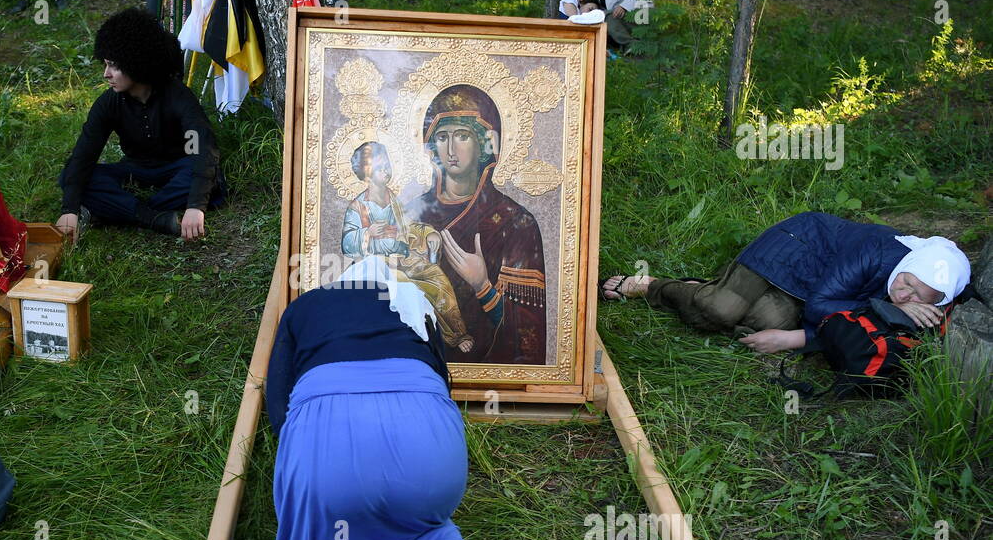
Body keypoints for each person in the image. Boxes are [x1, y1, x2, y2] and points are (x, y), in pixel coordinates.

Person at [265, 256, 503, 540]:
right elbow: (441, 385)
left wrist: (306, 457)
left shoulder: (303, 308)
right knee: (423, 520)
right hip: (427, 457)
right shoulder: (415, 304)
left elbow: (277, 403)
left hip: (327, 454)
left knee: (334, 531)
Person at [600, 213, 972, 354]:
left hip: (814, 285)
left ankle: (712, 287)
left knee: (758, 323)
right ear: (907, 264)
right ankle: (651, 286)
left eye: (917, 297)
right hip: (795, 249)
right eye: (905, 282)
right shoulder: (872, 252)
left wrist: (793, 337)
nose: (903, 294)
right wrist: (803, 337)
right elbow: (821, 308)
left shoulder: (926, 295)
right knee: (718, 309)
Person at [401, 83, 547, 363]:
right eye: (442, 137)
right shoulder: (411, 213)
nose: (451, 149)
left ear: (484, 144)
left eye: (463, 136)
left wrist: (482, 285)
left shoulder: (515, 222)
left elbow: (527, 336)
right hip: (414, 357)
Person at [56, 8, 225, 243]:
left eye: (113, 66)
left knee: (210, 177)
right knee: (71, 177)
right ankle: (153, 218)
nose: (106, 74)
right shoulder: (109, 103)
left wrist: (196, 206)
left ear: (136, 62)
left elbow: (201, 148)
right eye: (105, 65)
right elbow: (84, 155)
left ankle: (120, 210)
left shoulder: (177, 96)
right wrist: (69, 211)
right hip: (135, 171)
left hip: (178, 168)